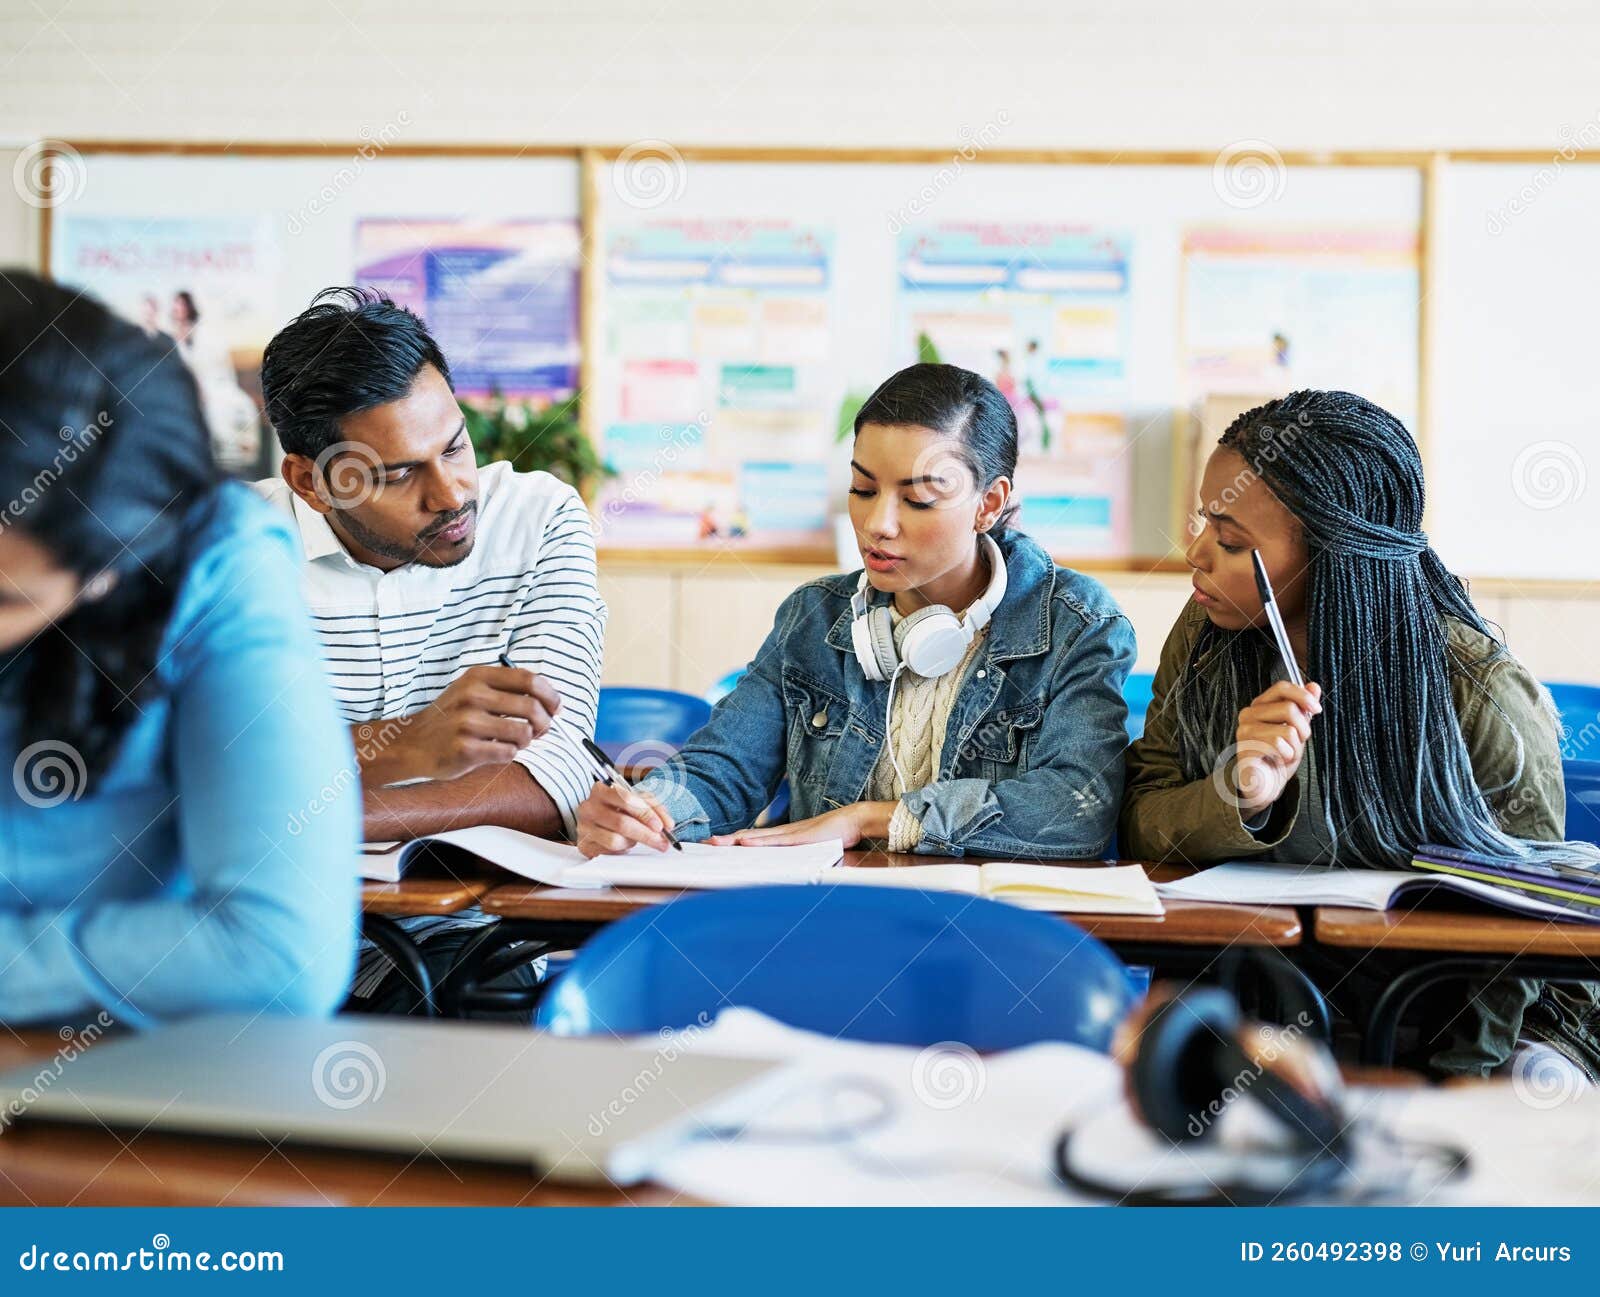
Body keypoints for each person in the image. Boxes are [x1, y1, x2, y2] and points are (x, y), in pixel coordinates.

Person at [1121, 388, 1599, 1080]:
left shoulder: (1477, 690)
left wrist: (1456, 1080)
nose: (1195, 552)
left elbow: (1523, 930)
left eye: (1230, 540)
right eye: (1204, 522)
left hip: (1490, 1019)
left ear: (1331, 557)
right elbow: (1140, 824)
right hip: (1278, 1004)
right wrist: (1240, 796)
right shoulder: (1203, 640)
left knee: (1517, 1097)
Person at [576, 362, 1134, 860]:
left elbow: (1078, 805)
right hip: (826, 925)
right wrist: (648, 810)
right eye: (863, 489)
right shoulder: (814, 618)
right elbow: (725, 768)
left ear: (988, 504)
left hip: (997, 939)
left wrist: (874, 818)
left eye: (918, 499)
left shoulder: (1076, 624)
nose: (878, 524)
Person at [0, 271, 358, 1028]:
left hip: (93, 1073)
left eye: (6, 599)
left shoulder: (213, 560)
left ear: (108, 570)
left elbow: (277, 950)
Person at [257, 287, 606, 1010]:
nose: (451, 494)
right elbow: (186, 774)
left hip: (471, 944)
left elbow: (556, 776)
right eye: (397, 473)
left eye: (454, 445)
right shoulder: (227, 550)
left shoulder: (539, 522)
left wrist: (312, 808)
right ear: (308, 482)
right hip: (259, 934)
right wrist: (405, 747)